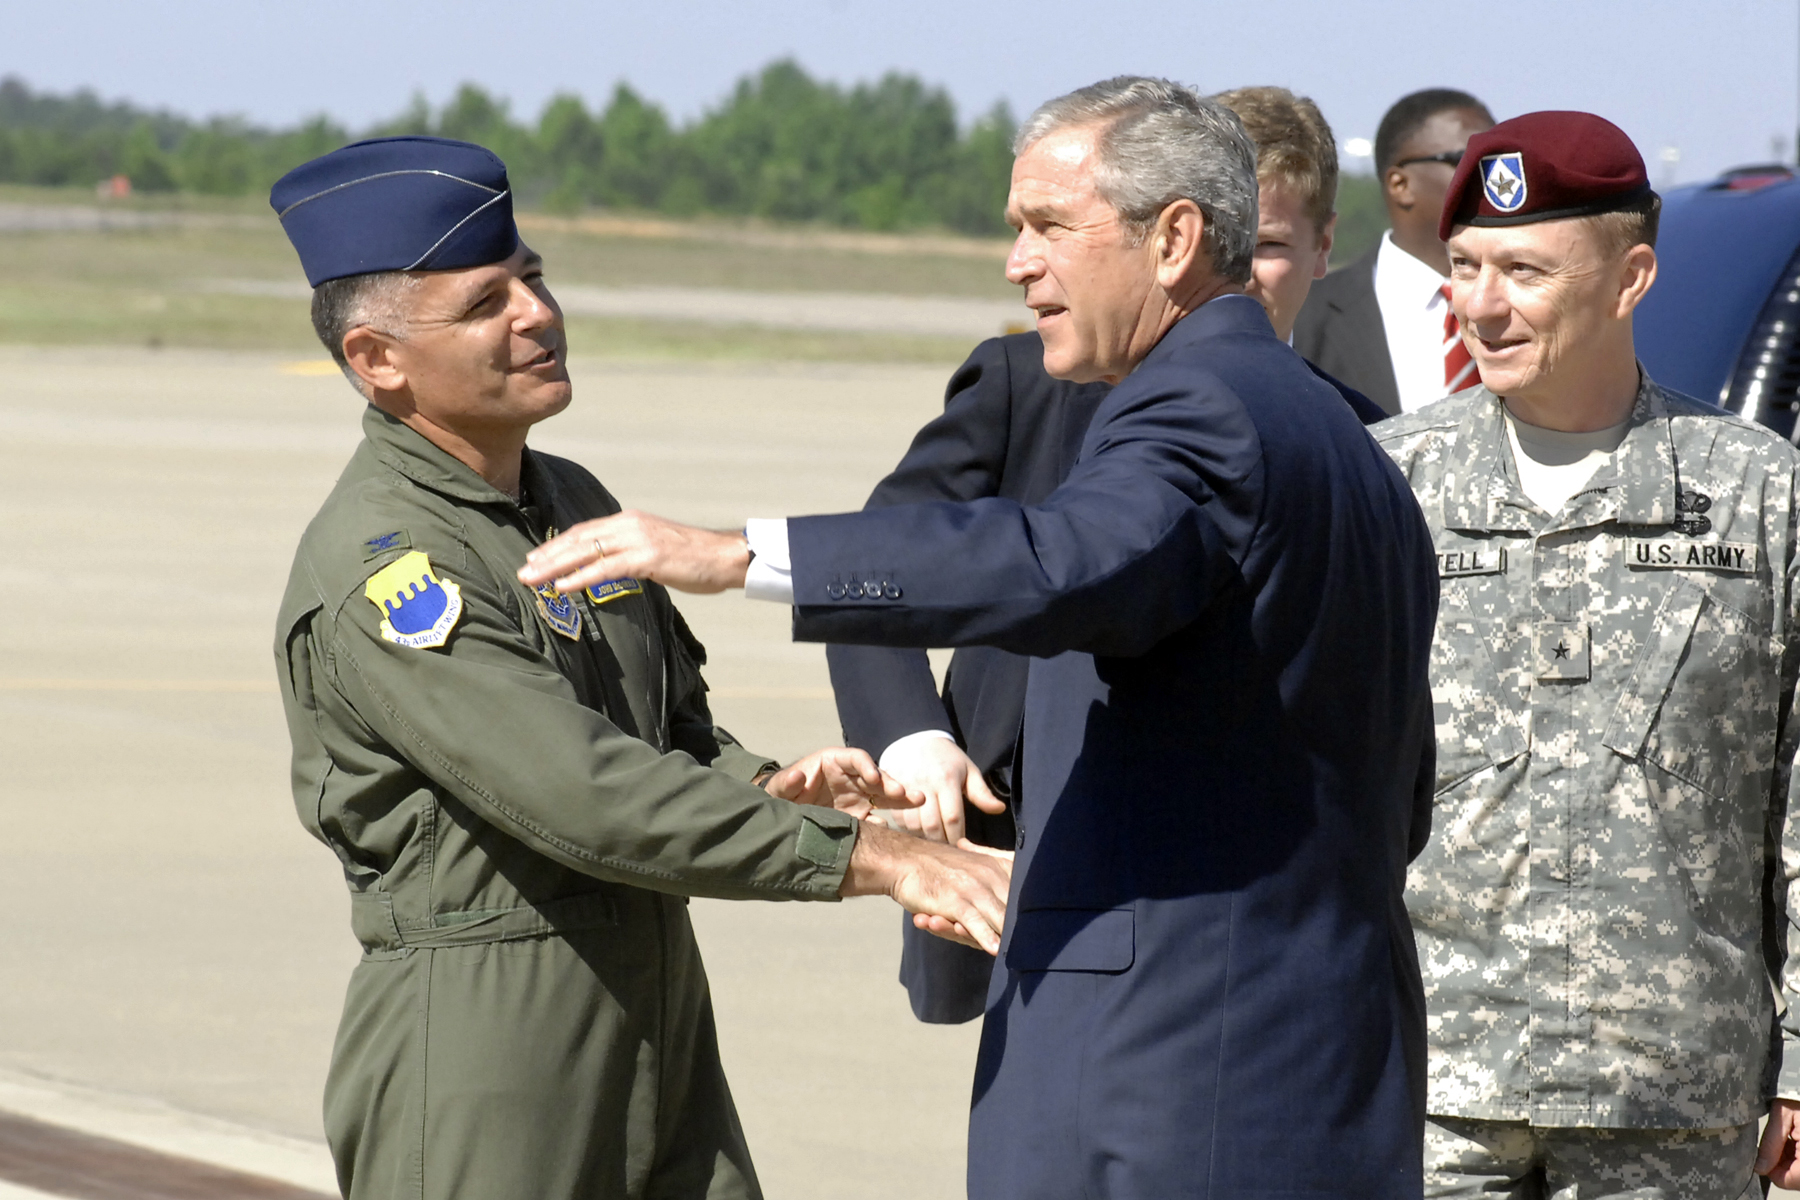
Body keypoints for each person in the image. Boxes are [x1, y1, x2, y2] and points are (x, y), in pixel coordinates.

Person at [521, 77, 1440, 1198]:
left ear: (1174, 240)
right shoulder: (1340, 437)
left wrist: (738, 555)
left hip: (1178, 1070)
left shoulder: (1202, 408)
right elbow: (1391, 789)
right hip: (1312, 1043)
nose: (1017, 263)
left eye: (1050, 225)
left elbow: (1062, 560)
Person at [267, 135, 1012, 1200]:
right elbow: (586, 793)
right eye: (485, 304)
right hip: (490, 1042)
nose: (537, 314)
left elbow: (665, 738)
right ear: (377, 359)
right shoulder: (388, 571)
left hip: (657, 1018)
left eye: (533, 278)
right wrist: (880, 859)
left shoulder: (568, 499)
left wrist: (765, 784)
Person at [826, 84, 1379, 1026]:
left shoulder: (1357, 436)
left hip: (1217, 886)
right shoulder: (1033, 384)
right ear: (1167, 234)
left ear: (1326, 248)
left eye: (1267, 245)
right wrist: (912, 739)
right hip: (1002, 837)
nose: (1238, 269)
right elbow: (874, 568)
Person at [1374, 110, 1800, 1196]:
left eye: (1524, 271)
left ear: (1630, 278)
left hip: (1670, 1094)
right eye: (1464, 266)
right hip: (1432, 1083)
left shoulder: (1758, 492)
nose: (1480, 304)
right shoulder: (1386, 486)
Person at [1294, 88, 1494, 415]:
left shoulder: (1533, 305)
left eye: (1498, 161)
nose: (1492, 179)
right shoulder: (1304, 314)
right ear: (1400, 184)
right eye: (1468, 161)